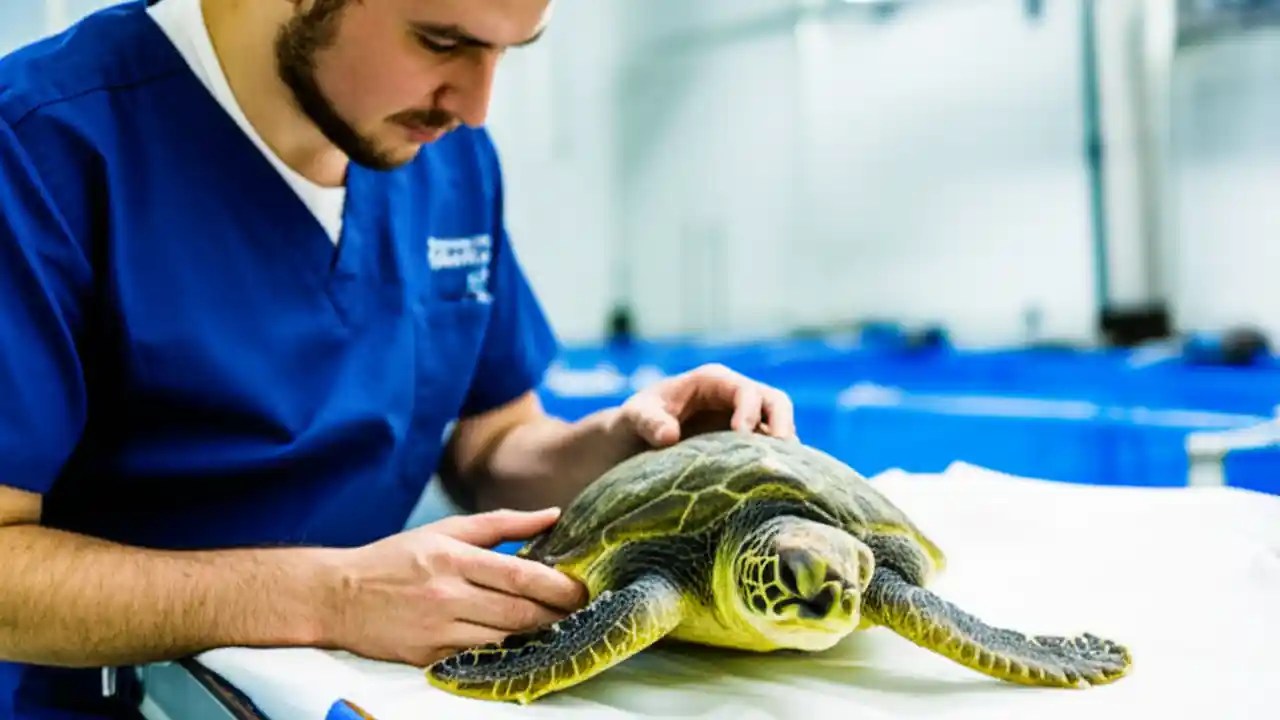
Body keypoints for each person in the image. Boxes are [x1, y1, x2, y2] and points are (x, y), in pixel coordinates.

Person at [0, 0, 797, 717]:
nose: (477, 106)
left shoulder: (443, 155)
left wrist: (629, 449)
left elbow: (493, 446)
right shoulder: (39, 145)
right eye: (441, 39)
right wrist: (334, 596)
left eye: (507, 52)